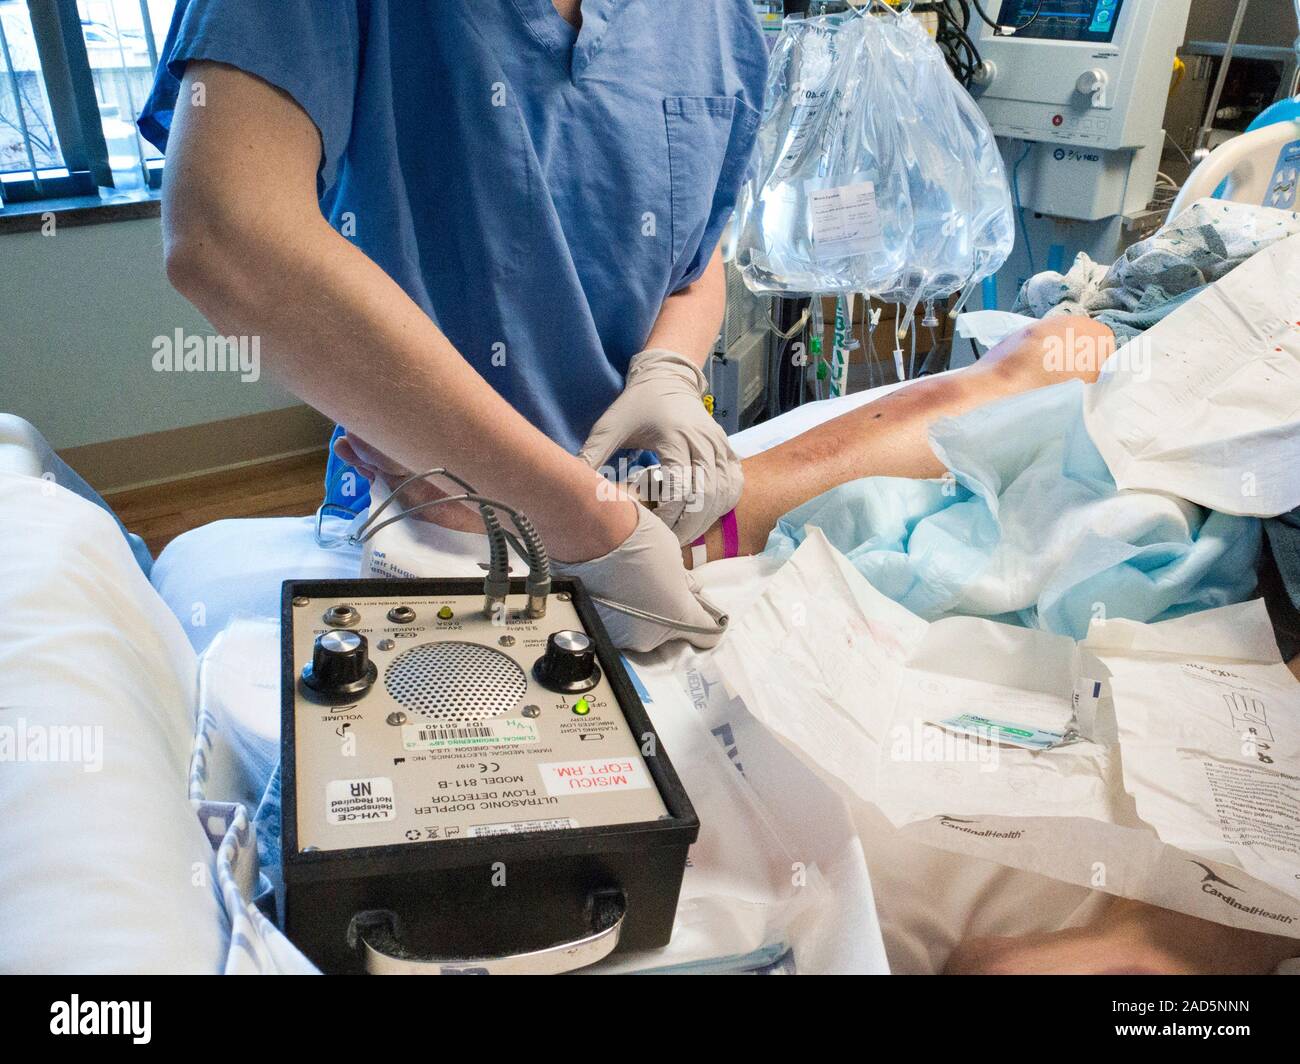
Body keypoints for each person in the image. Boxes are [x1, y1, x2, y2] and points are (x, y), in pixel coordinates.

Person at [140, 0, 768, 651]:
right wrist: (579, 519)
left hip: (648, 526)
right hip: (439, 528)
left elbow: (697, 247)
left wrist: (670, 366)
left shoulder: (717, 19)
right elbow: (226, 232)